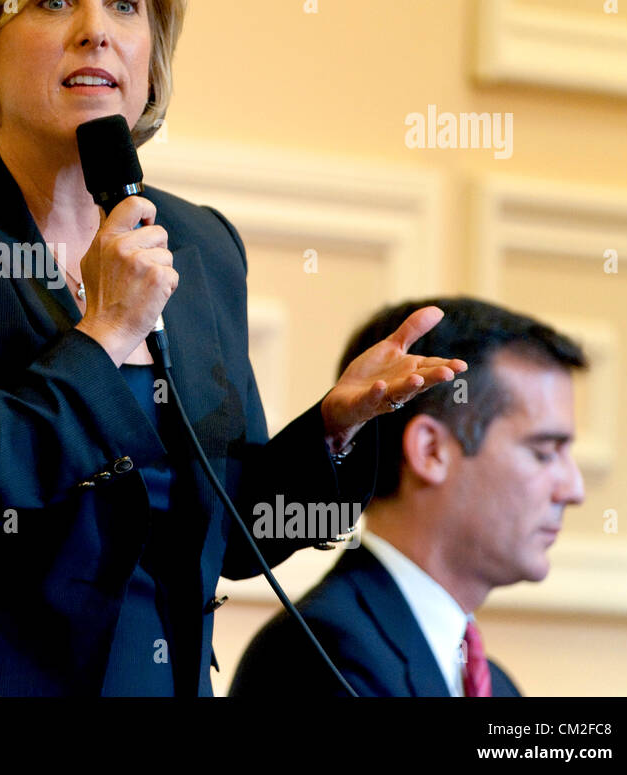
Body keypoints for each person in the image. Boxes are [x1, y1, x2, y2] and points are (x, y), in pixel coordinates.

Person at [0, 0, 465, 697]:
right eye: (54, 1)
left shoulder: (196, 245)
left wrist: (332, 432)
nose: (98, 29)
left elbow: (230, 535)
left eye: (126, 5)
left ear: (152, 57)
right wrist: (103, 334)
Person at [229, 297, 587, 697]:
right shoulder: (317, 658)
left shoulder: (497, 686)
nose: (574, 490)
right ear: (431, 451)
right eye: (543, 452)